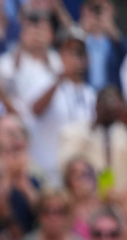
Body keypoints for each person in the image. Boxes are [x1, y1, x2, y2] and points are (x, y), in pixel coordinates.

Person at [29, 29, 97, 186]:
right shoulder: (44, 80)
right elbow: (35, 110)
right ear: (59, 55)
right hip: (47, 171)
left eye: (79, 53)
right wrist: (61, 76)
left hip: (78, 175)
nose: (75, 58)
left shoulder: (91, 94)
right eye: (69, 52)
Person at [80, 0, 127, 92]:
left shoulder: (118, 42)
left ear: (112, 10)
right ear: (83, 10)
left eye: (101, 7)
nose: (97, 12)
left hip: (110, 100)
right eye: (92, 7)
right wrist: (81, 33)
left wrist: (114, 33)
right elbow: (62, 59)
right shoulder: (77, 37)